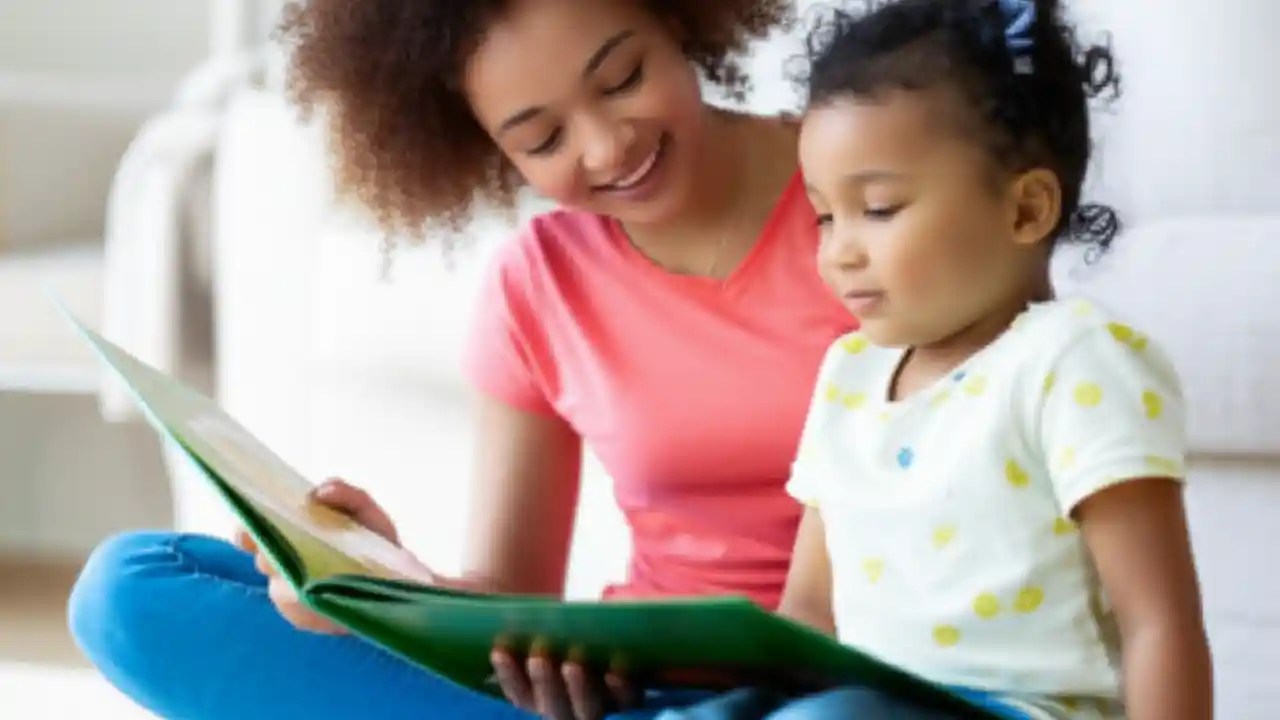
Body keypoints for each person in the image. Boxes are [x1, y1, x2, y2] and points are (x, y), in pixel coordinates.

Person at [66, 1, 856, 719]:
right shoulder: (538, 283)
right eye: (543, 139)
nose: (608, 145)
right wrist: (385, 587)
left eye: (623, 78)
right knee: (130, 593)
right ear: (485, 148)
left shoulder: (870, 187)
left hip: (859, 685)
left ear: (678, 20)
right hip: (641, 694)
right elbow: (511, 601)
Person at [655, 0, 1214, 718]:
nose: (839, 250)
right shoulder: (848, 376)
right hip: (863, 701)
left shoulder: (1073, 362)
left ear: (1025, 211)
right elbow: (809, 608)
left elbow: (1158, 622)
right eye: (825, 216)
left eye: (879, 208)